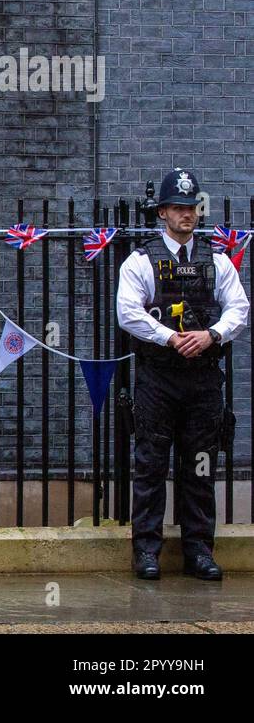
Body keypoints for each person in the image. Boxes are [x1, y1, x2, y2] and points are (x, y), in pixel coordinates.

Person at [116, 169, 248, 580]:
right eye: (178, 208)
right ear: (163, 213)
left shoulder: (218, 260)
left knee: (200, 466)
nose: (186, 215)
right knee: (150, 464)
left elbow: (239, 308)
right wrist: (170, 339)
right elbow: (127, 312)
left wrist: (211, 335)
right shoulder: (140, 260)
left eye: (191, 208)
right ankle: (147, 552)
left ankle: (199, 551)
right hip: (158, 376)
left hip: (204, 378)